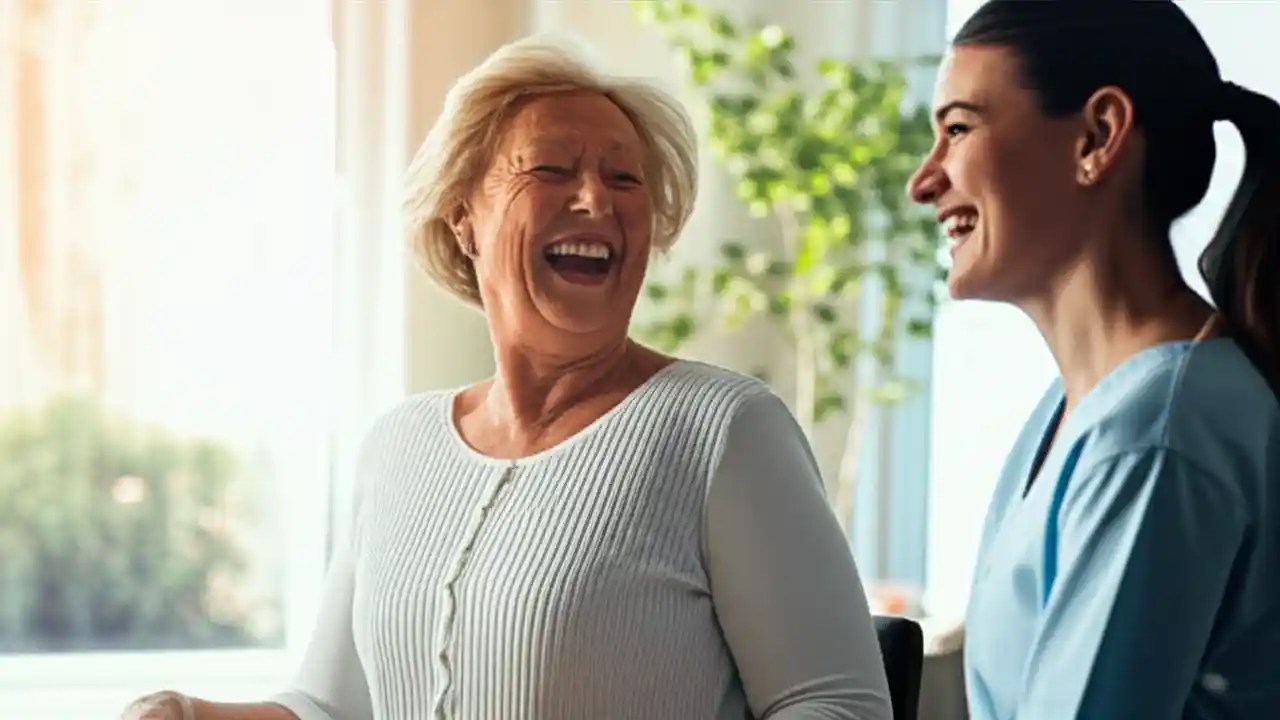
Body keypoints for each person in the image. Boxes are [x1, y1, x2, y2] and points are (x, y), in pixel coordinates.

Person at [121, 34, 892, 720]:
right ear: (464, 217)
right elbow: (331, 705)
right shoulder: (398, 446)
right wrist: (189, 714)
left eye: (625, 182)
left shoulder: (723, 430)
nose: (595, 199)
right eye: (552, 170)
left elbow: (838, 704)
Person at [907, 1, 1280, 718]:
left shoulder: (1160, 435)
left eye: (958, 129)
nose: (924, 181)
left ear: (1098, 135)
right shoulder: (1083, 409)